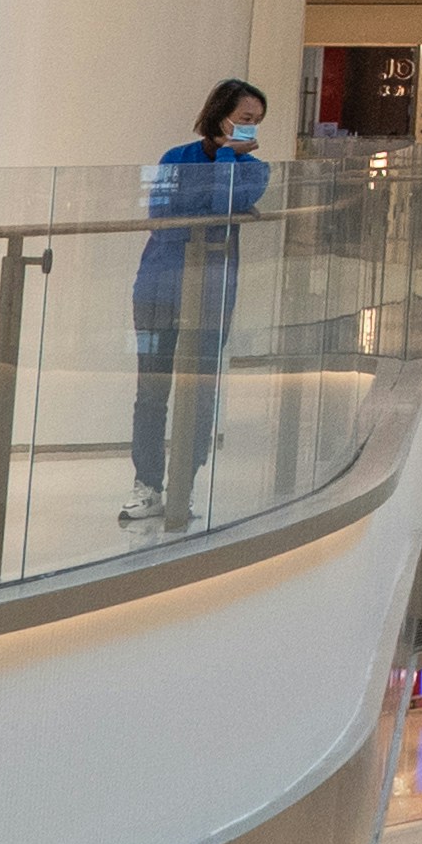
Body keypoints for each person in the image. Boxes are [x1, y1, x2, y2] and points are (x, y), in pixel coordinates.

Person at [126, 76, 272, 531]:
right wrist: (215, 198)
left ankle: (183, 485)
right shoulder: (175, 158)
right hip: (157, 288)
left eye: (256, 123)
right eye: (243, 119)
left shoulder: (255, 168)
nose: (249, 129)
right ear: (220, 113)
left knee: (200, 390)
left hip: (211, 292)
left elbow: (224, 207)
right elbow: (163, 219)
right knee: (151, 391)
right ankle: (147, 484)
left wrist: (228, 155)